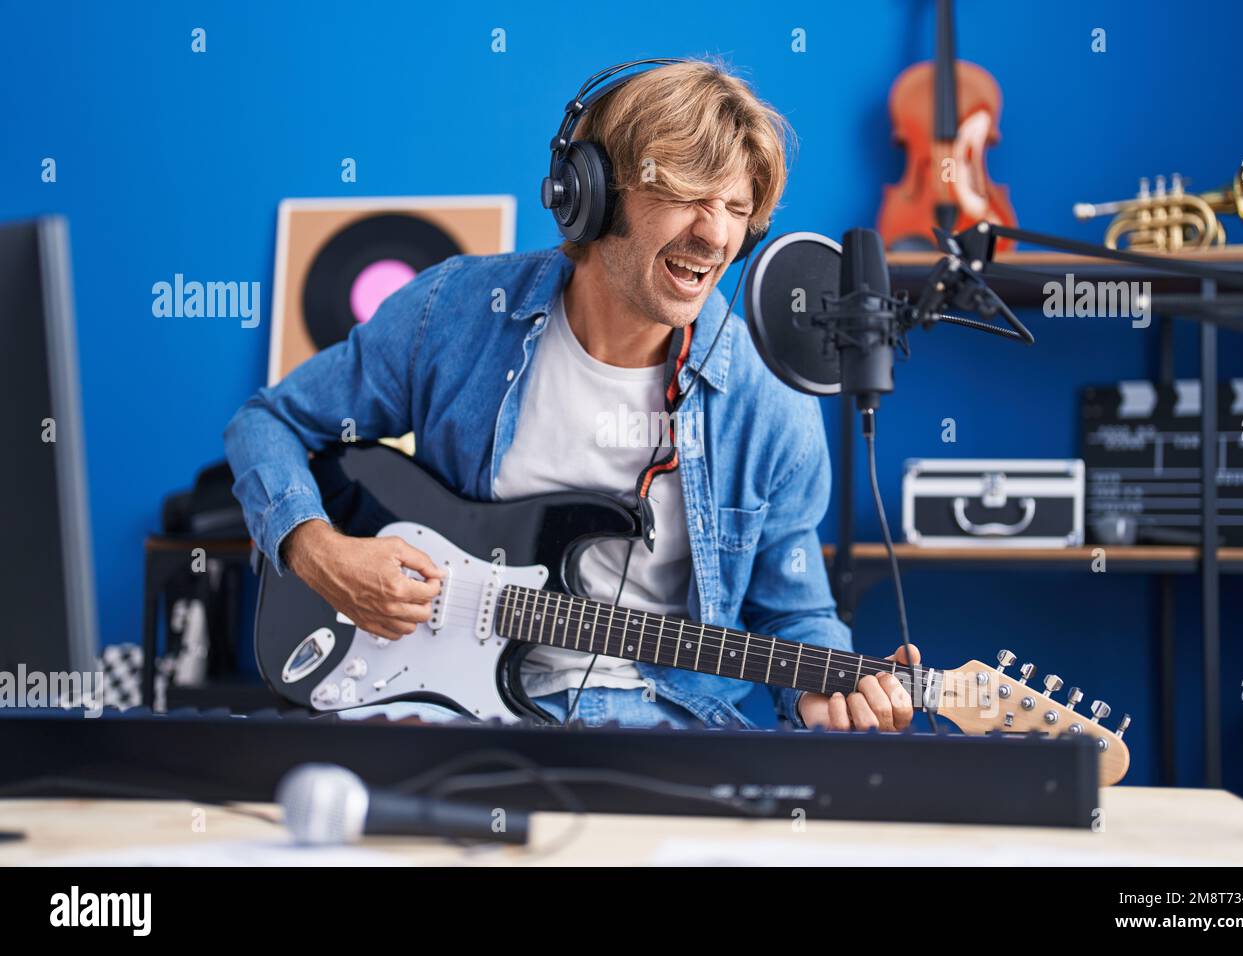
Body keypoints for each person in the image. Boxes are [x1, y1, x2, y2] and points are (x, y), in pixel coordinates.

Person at [225, 58, 919, 731]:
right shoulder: (457, 312)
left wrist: (820, 695)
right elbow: (270, 423)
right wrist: (315, 549)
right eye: (685, 195)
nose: (714, 235)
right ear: (591, 194)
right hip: (439, 718)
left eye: (736, 209)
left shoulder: (769, 398)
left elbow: (793, 616)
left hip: (665, 724)